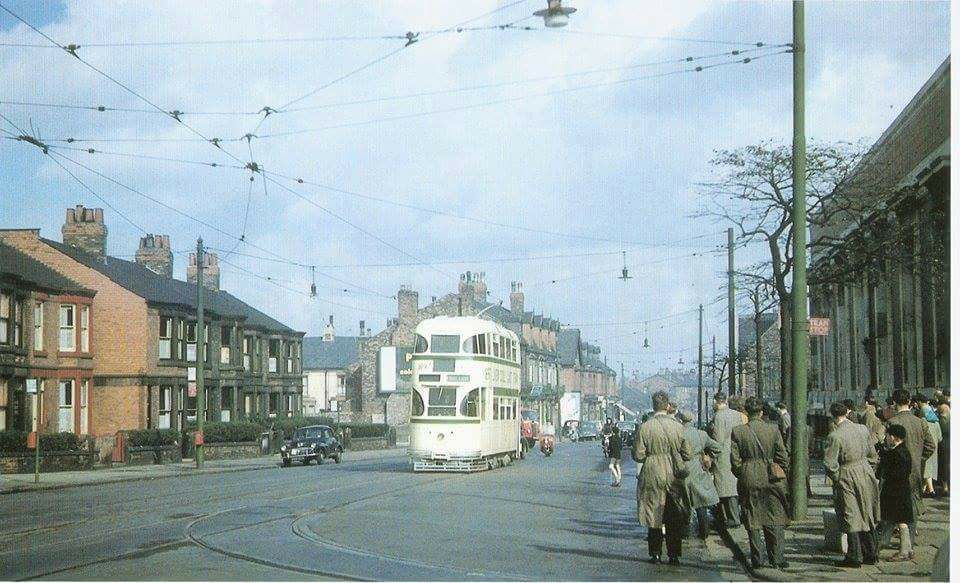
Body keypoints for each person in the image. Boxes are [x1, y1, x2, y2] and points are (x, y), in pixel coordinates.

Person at [632, 391, 692, 565]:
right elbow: (687, 453)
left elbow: (638, 454)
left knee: (653, 513)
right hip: (673, 471)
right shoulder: (678, 426)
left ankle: (655, 553)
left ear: (653, 406)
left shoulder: (646, 427)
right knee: (673, 514)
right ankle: (674, 555)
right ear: (667, 406)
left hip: (652, 470)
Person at [731, 397, 790, 570]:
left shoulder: (738, 431)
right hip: (771, 477)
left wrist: (743, 472)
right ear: (762, 412)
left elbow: (734, 461)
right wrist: (780, 472)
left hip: (749, 475)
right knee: (775, 515)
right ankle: (777, 558)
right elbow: (783, 456)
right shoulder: (773, 429)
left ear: (746, 413)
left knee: (752, 518)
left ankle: (758, 560)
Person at [823, 402, 880, 567]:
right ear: (847, 413)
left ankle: (854, 556)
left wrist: (837, 477)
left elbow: (829, 463)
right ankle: (871, 553)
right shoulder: (862, 429)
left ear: (833, 416)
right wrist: (869, 468)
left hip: (847, 473)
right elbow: (872, 454)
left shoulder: (835, 436)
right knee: (866, 512)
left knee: (851, 514)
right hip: (865, 471)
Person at [882, 389, 936, 547]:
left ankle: (886, 539)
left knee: (892, 505)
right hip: (915, 470)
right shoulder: (920, 422)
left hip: (895, 471)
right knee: (912, 504)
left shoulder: (892, 423)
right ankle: (909, 541)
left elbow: (887, 446)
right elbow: (931, 445)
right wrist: (919, 459)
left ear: (894, 403)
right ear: (910, 402)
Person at [678, 410, 721, 540]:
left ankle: (684, 532)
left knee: (683, 502)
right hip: (698, 467)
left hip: (681, 468)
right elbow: (718, 448)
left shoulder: (677, 433)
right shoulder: (701, 434)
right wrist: (710, 458)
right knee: (700, 502)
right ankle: (704, 531)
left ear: (681, 419)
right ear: (692, 420)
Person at [876, 424, 914, 562]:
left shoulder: (895, 454)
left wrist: (884, 457)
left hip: (895, 491)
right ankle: (908, 549)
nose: (886, 438)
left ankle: (903, 551)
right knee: (899, 519)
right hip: (902, 490)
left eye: (887, 435)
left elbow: (886, 472)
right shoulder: (904, 451)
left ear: (893, 437)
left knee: (899, 520)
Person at [708, 392, 744, 530]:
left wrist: (711, 456)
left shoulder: (718, 417)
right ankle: (734, 517)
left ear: (717, 401)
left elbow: (717, 441)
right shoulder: (737, 415)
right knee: (733, 488)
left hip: (723, 457)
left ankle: (731, 518)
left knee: (725, 490)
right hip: (736, 454)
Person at [920, 398, 942, 496]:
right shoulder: (936, 422)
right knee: (930, 469)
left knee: (926, 470)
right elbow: (940, 437)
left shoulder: (922, 421)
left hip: (925, 448)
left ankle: (931, 490)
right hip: (935, 448)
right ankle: (924, 489)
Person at [937, 396, 950, 496]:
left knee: (944, 463)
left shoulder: (942, 409)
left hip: (945, 439)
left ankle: (945, 487)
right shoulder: (949, 408)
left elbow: (943, 427)